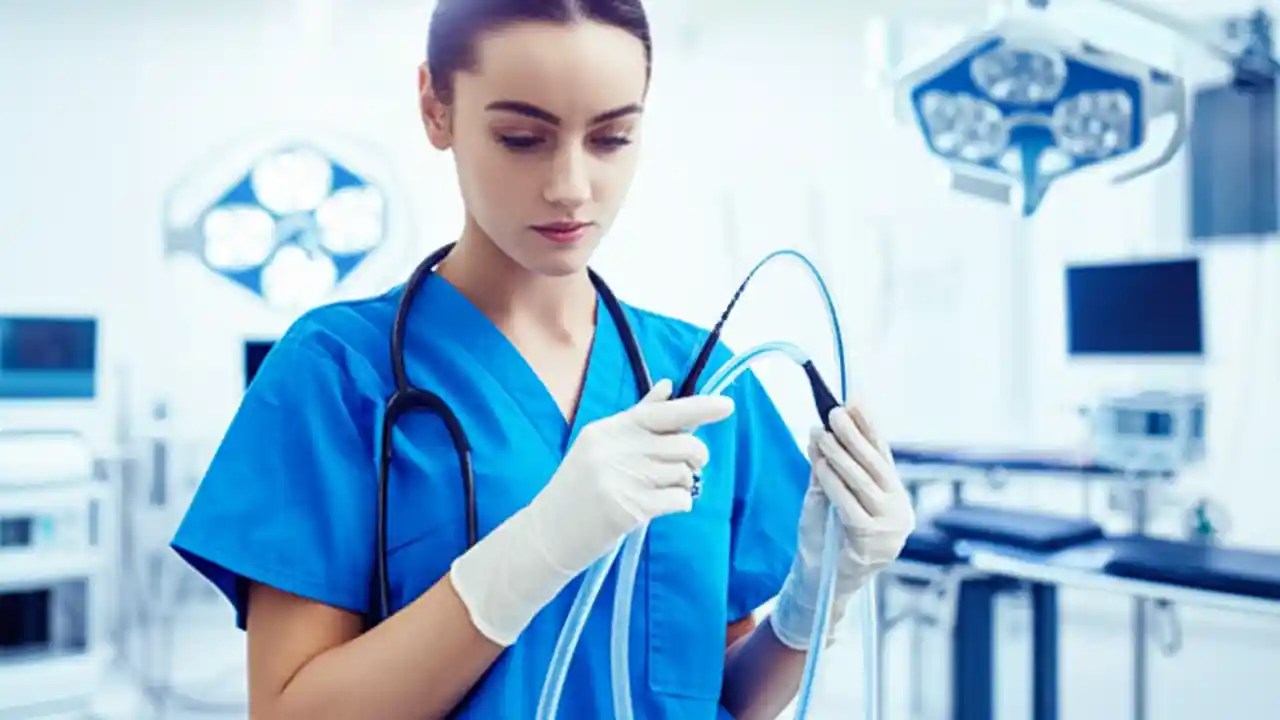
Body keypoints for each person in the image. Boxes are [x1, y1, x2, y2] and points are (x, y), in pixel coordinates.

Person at [169, 1, 916, 718]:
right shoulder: (337, 372)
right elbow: (292, 712)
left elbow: (720, 697)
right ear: (436, 108)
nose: (571, 188)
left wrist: (814, 602)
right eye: (523, 140)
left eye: (611, 138)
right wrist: (530, 553)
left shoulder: (705, 384)